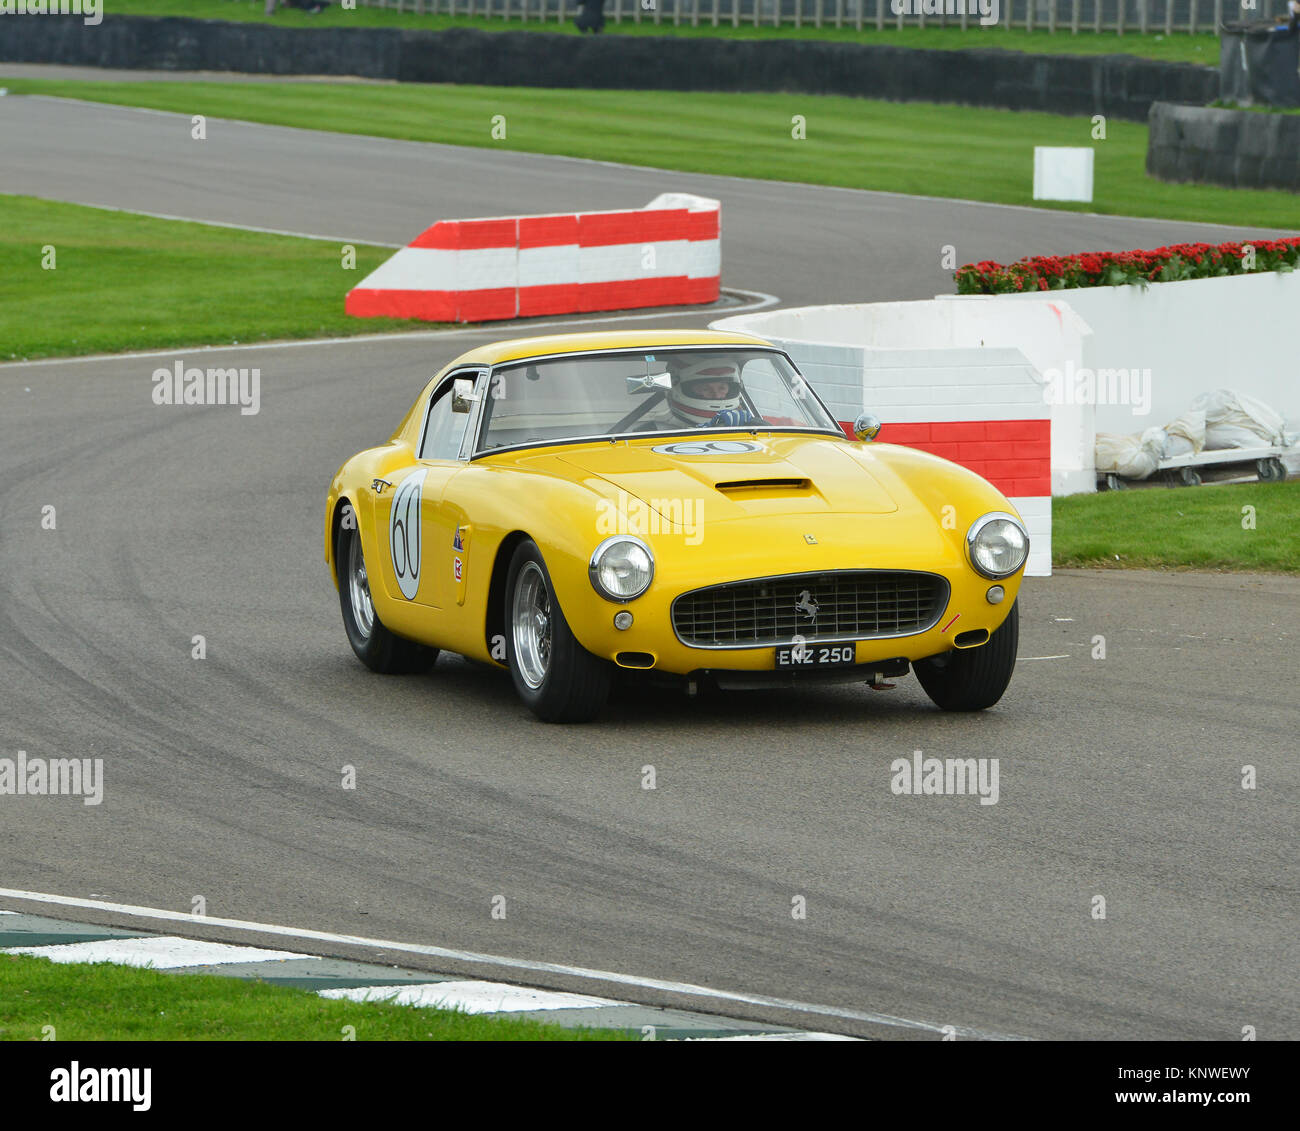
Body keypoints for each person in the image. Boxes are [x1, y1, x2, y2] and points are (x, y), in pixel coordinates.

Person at [638, 357, 759, 430]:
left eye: (722, 387)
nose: (717, 395)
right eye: (705, 389)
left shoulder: (750, 428)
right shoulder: (651, 432)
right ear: (676, 388)